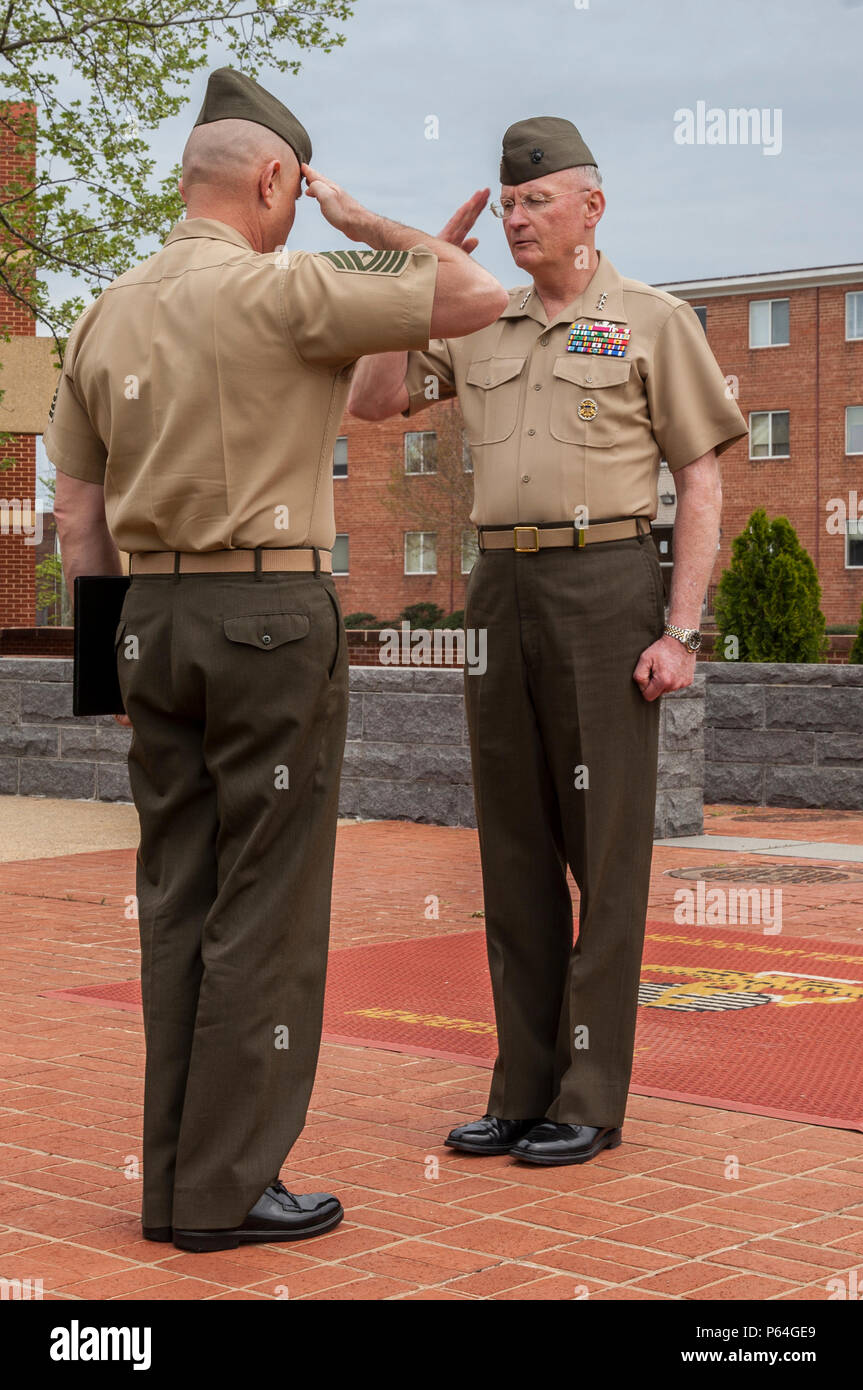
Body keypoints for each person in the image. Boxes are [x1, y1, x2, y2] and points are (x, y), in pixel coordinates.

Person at [46, 66, 506, 1250]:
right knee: (268, 908)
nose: (302, 218)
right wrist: (368, 229)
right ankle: (228, 1188)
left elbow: (79, 522)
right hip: (268, 624)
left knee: (177, 900)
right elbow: (479, 291)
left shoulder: (104, 313)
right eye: (297, 198)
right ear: (271, 178)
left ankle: (174, 1181)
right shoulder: (296, 282)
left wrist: (108, 677)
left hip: (148, 624)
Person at [348, 116, 747, 1167]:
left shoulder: (651, 321)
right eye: (506, 202)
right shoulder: (478, 319)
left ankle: (587, 1094)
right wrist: (411, 287)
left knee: (604, 853)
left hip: (608, 582)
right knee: (512, 850)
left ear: (590, 208)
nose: (516, 217)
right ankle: (519, 1088)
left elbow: (700, 477)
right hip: (498, 590)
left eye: (535, 201)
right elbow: (374, 400)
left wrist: (679, 627)